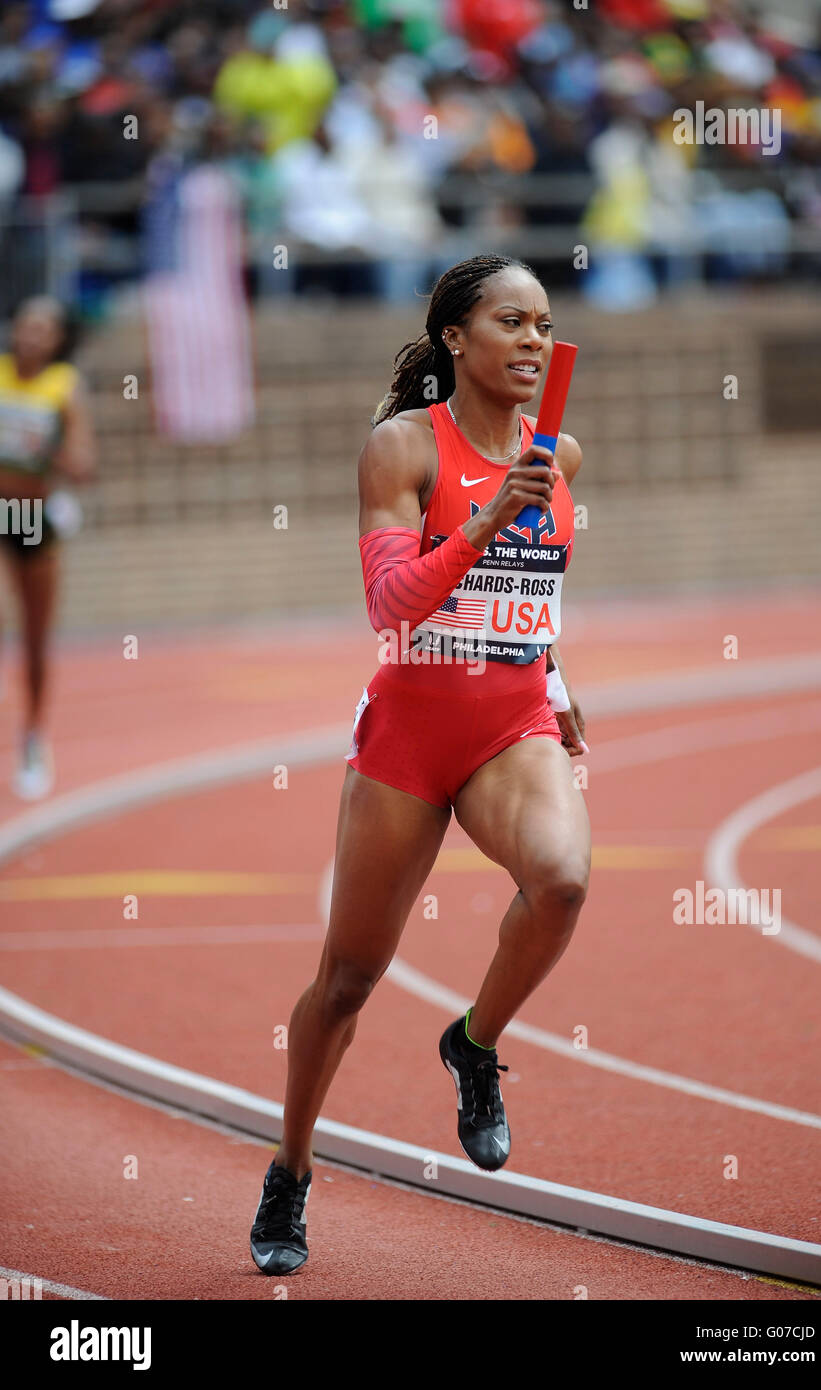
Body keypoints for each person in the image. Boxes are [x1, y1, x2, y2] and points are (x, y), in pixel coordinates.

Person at [250, 254, 590, 1275]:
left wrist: (560, 679)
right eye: (508, 321)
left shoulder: (559, 451)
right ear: (454, 337)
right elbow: (391, 606)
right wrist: (487, 516)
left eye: (543, 323)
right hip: (408, 727)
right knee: (347, 981)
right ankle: (291, 1167)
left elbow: (537, 589)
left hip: (512, 720)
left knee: (563, 882)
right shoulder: (401, 448)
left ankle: (474, 1043)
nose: (532, 340)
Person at [0, 296, 96, 798]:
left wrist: (47, 446)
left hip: (32, 515)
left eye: (42, 328)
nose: (30, 335)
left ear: (58, 340)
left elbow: (85, 466)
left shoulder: (64, 388)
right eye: (25, 324)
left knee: (34, 634)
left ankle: (33, 738)